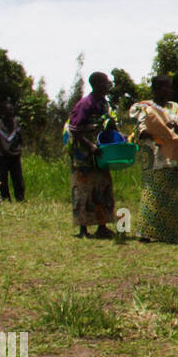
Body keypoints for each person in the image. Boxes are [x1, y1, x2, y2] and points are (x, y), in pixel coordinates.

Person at [128, 75, 178, 244]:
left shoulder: (175, 107)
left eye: (170, 87)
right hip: (153, 155)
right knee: (153, 192)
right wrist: (161, 129)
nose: (169, 91)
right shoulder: (144, 107)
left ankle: (174, 233)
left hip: (171, 155)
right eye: (166, 87)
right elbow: (141, 131)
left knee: (173, 195)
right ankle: (147, 232)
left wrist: (175, 127)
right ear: (156, 89)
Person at [68, 71, 116, 239]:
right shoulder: (85, 104)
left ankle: (102, 226)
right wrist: (90, 146)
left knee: (102, 187)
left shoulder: (103, 103)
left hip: (99, 153)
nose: (108, 86)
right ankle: (83, 229)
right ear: (96, 85)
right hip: (84, 155)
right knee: (84, 190)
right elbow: (75, 130)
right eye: (105, 83)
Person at [0, 101, 25, 202]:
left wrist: (18, 150)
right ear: (3, 112)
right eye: (8, 110)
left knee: (18, 178)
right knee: (3, 179)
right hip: (2, 156)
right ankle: (5, 198)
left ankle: (20, 198)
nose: (10, 112)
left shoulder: (16, 123)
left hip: (15, 155)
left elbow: (20, 139)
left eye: (11, 110)